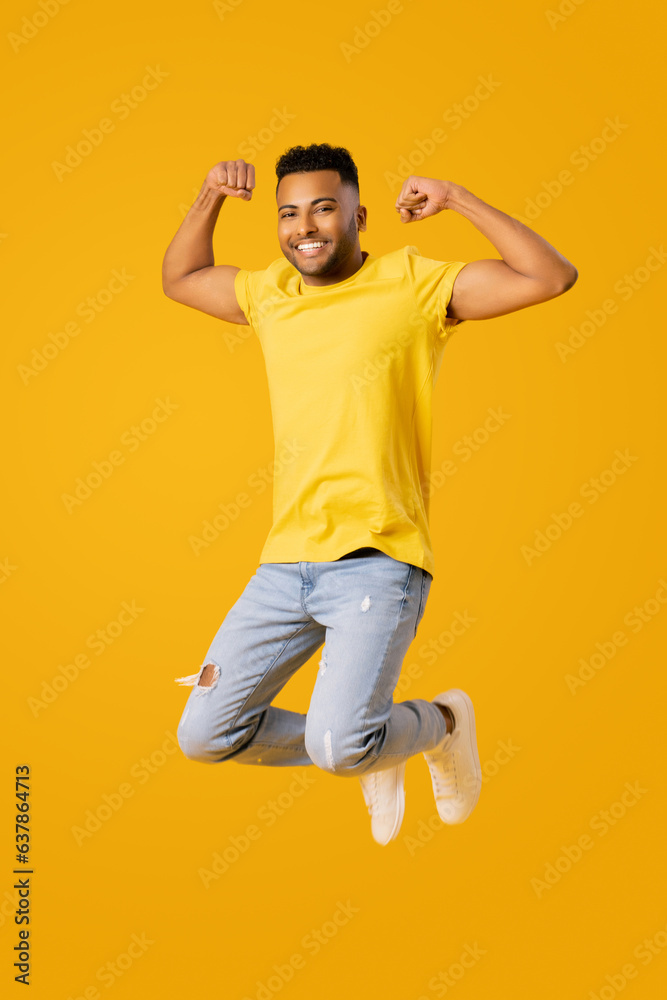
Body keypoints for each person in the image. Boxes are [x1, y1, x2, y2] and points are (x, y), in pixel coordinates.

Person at [162, 143, 577, 845]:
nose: (305, 227)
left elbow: (550, 276)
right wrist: (208, 194)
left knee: (337, 748)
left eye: (323, 208)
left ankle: (438, 725)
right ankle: (378, 740)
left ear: (357, 214)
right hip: (283, 565)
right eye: (288, 213)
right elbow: (183, 276)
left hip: (377, 558)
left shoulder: (412, 284)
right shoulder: (269, 295)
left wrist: (456, 198)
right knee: (204, 735)